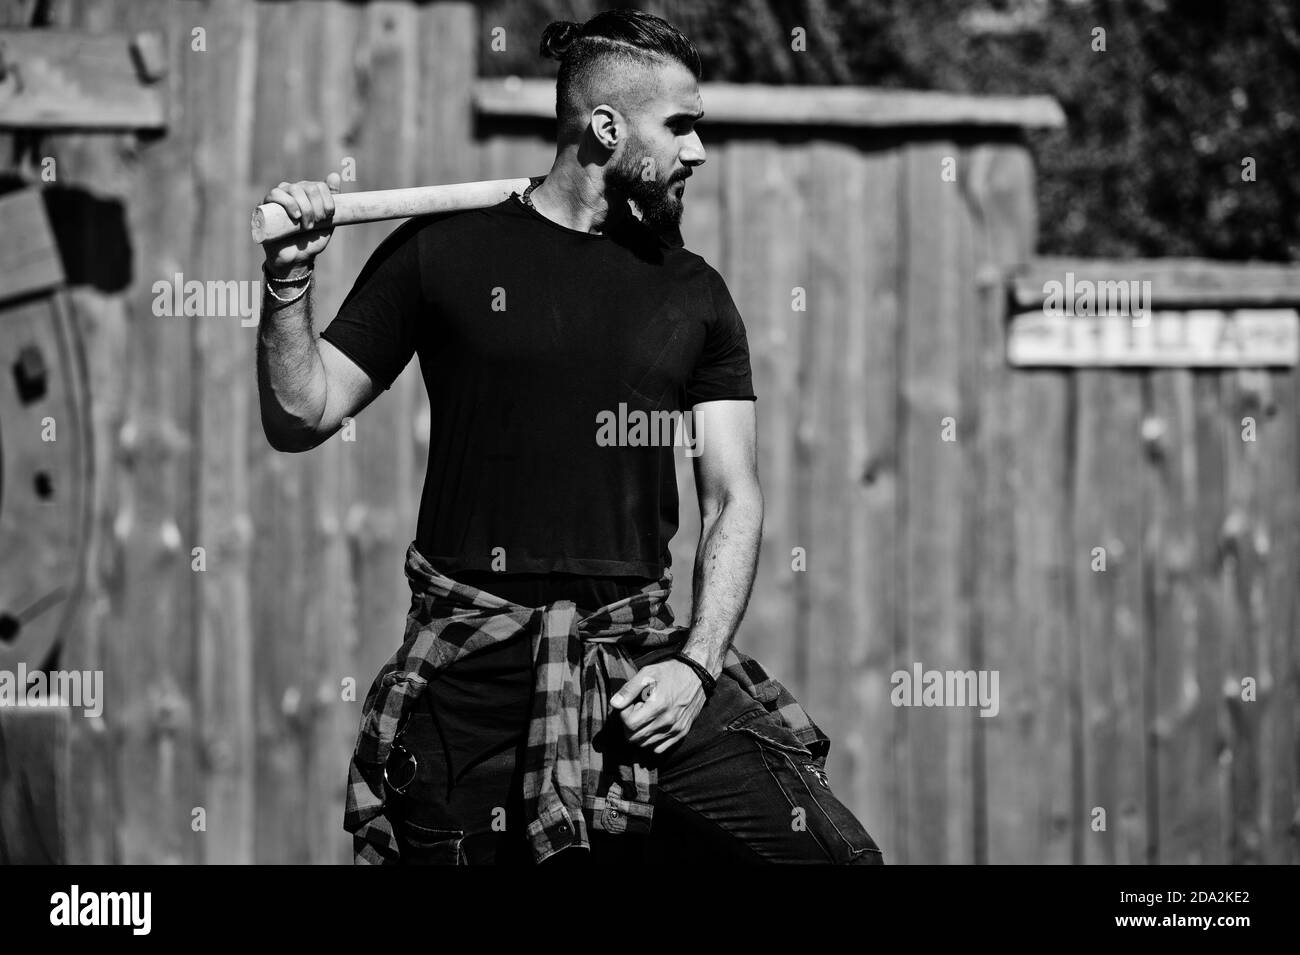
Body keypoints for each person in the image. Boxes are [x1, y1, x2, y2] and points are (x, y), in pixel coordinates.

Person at [255, 8, 883, 866]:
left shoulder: (692, 292)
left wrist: (697, 667)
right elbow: (301, 413)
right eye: (682, 127)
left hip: (640, 664)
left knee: (838, 858)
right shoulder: (443, 254)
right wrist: (288, 283)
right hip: (469, 674)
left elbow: (733, 494)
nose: (698, 152)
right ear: (606, 126)